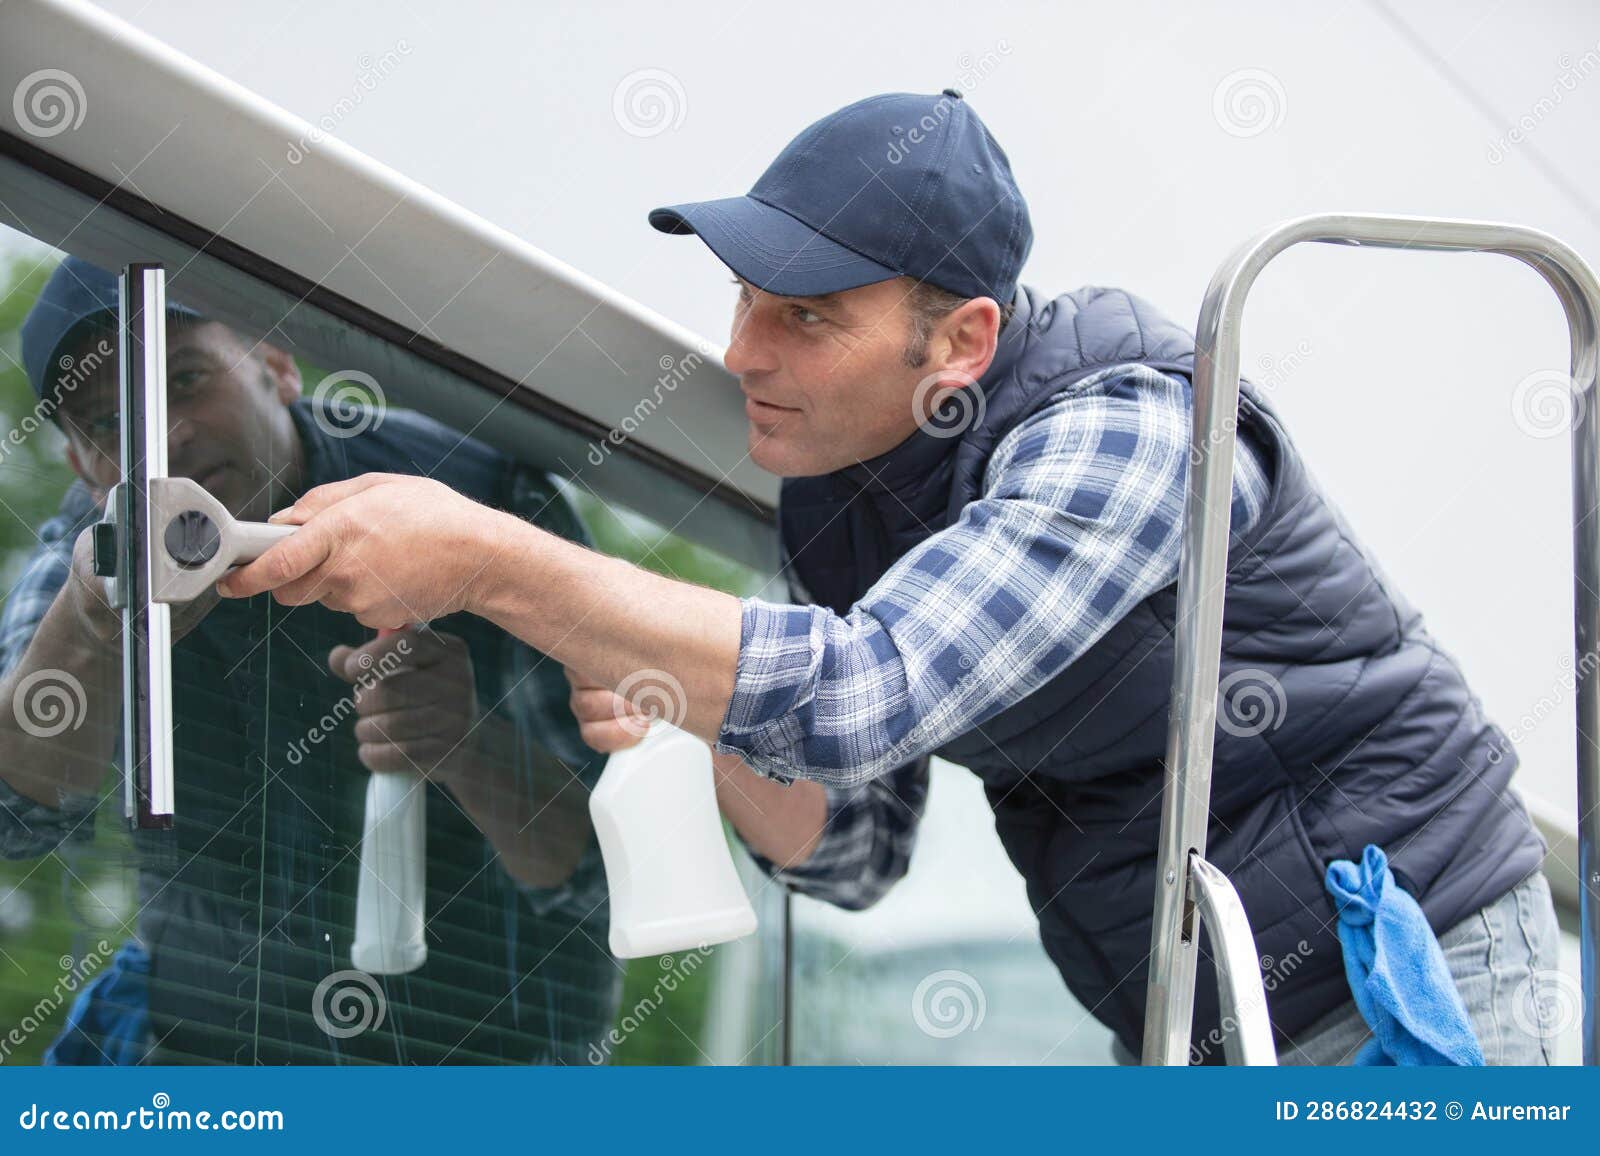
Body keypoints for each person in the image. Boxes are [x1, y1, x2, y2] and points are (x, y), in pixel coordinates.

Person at [216, 90, 1562, 1065]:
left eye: (807, 318)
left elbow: (870, 690)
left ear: (964, 339)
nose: (745, 351)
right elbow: (851, 846)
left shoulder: (1128, 427)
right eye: (744, 297)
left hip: (1405, 973)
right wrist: (689, 708)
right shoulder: (842, 498)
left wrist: (490, 555)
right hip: (1185, 1017)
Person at [0, 256, 618, 1064]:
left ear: (278, 366)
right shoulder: (90, 556)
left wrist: (465, 745)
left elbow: (606, 866)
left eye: (185, 379)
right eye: (111, 424)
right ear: (85, 471)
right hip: (202, 1055)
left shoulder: (483, 500)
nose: (165, 435)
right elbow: (15, 820)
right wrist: (91, 627)